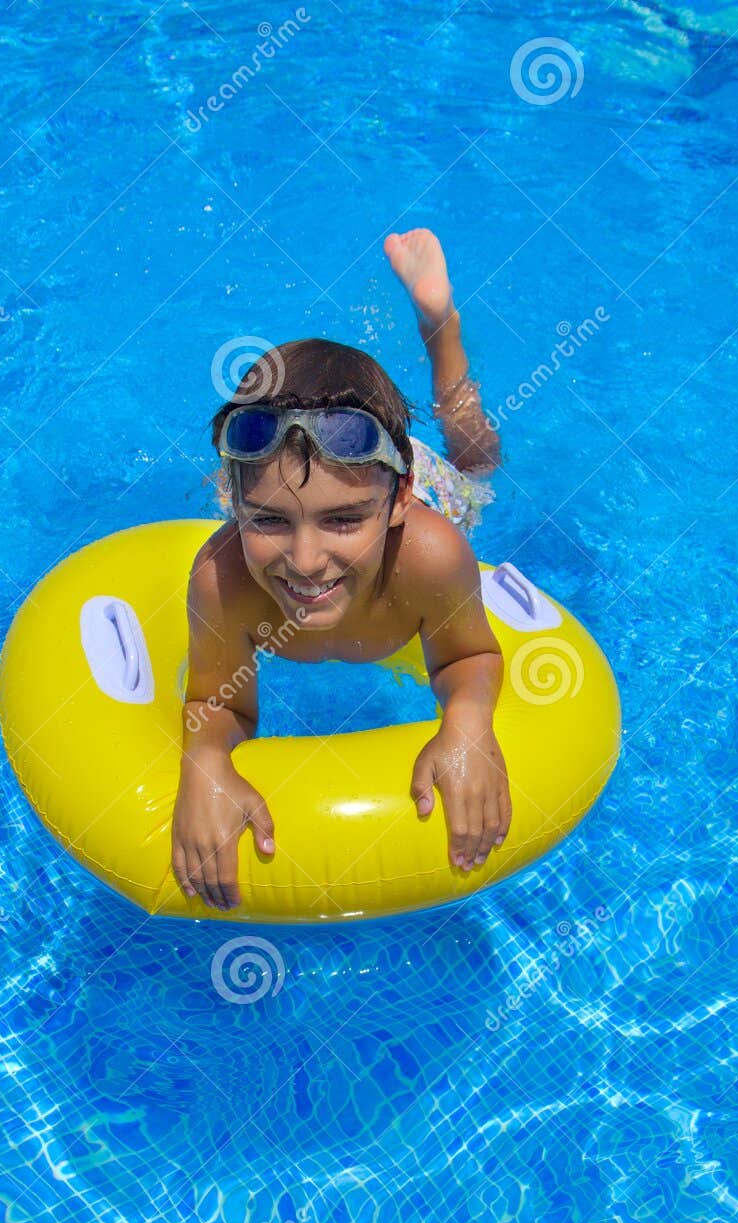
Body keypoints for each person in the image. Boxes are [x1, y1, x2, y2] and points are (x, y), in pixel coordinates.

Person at [171, 228, 511, 911]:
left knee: (480, 460)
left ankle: (439, 328)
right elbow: (217, 701)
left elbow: (467, 656)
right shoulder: (221, 581)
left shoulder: (430, 556)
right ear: (228, 500)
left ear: (396, 499)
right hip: (355, 467)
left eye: (342, 522)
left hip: (429, 482)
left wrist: (468, 722)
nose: (304, 560)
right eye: (267, 520)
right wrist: (205, 761)